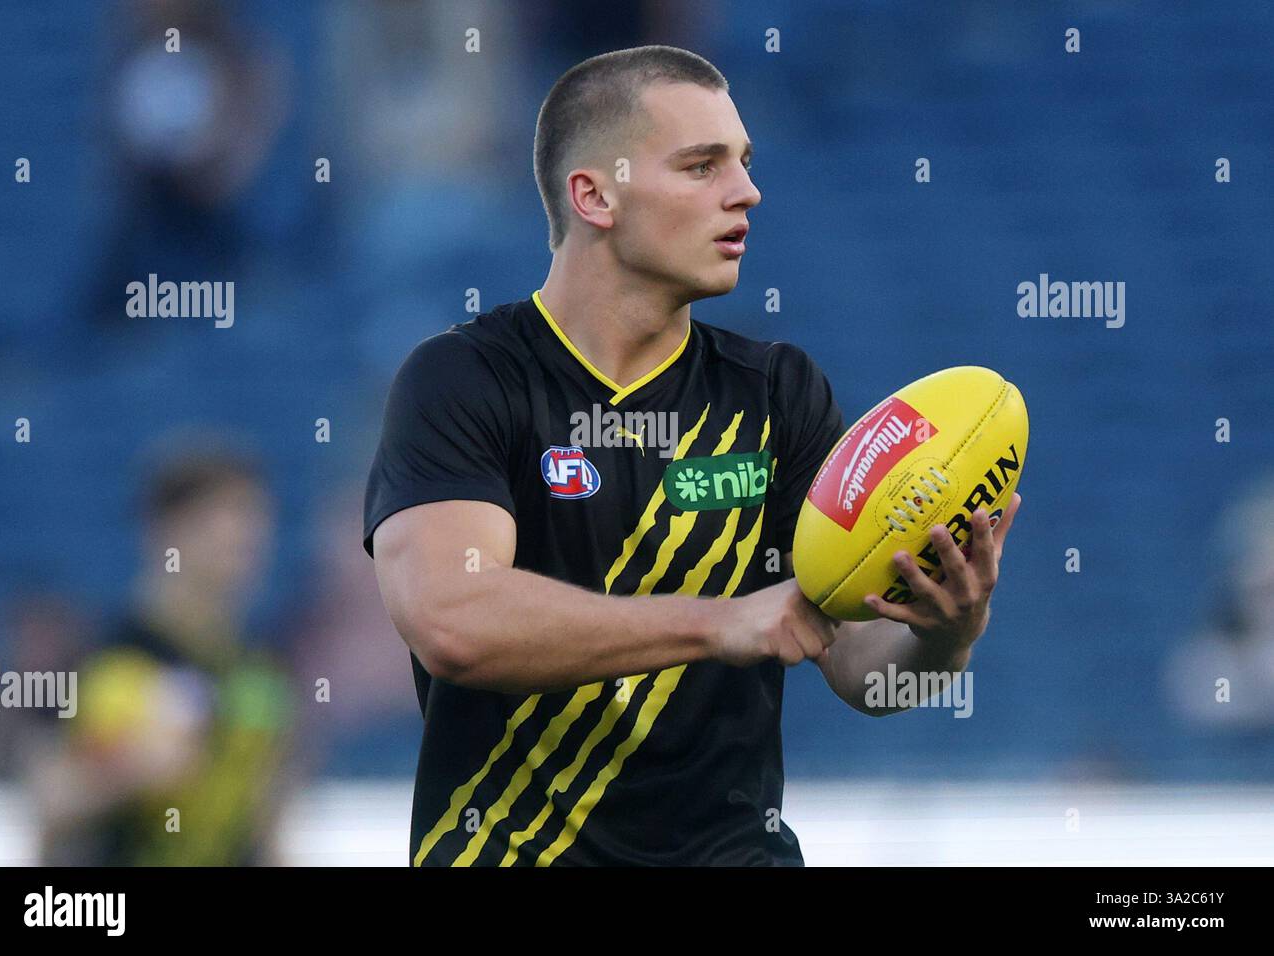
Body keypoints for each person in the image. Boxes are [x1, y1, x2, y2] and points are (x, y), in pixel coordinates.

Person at [364, 45, 1020, 866]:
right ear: (594, 194)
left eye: (744, 162)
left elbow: (859, 669)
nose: (746, 191)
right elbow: (453, 622)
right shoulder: (464, 379)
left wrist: (945, 632)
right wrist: (716, 624)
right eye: (701, 166)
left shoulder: (777, 392)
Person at [35, 445, 295, 865]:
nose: (247, 536)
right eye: (226, 516)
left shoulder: (264, 671)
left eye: (256, 517)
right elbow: (46, 804)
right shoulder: (101, 658)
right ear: (166, 529)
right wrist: (126, 769)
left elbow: (267, 825)